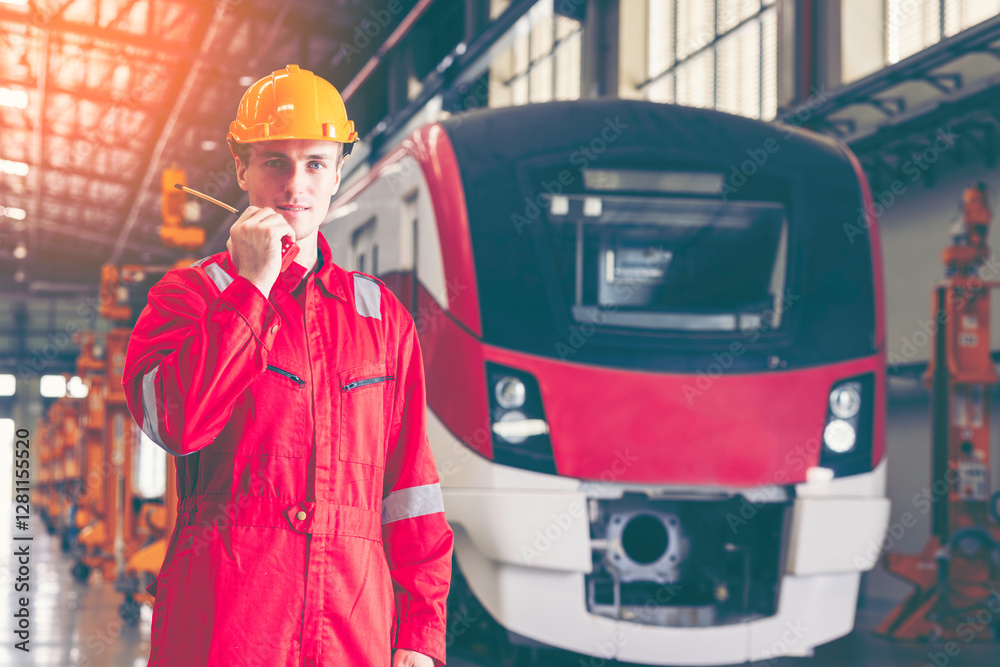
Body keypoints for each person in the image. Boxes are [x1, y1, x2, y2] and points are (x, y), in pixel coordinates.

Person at [122, 64, 453, 667]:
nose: (295, 185)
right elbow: (178, 424)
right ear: (242, 169)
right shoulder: (189, 297)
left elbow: (411, 491)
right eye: (275, 162)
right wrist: (252, 285)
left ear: (337, 172)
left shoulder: (382, 318)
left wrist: (420, 634)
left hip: (353, 627)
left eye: (315, 163)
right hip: (227, 624)